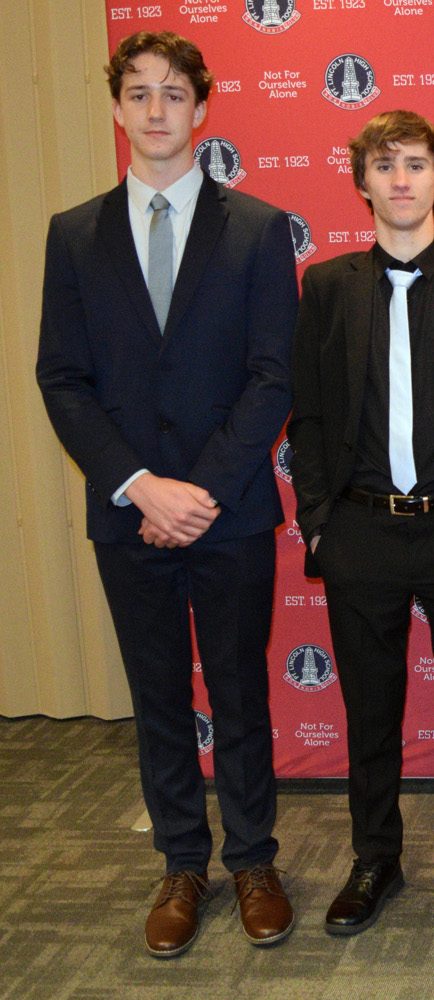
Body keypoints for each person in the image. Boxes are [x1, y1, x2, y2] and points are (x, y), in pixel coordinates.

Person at [36, 31, 297, 957]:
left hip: (230, 514)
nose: (156, 111)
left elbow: (275, 375)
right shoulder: (73, 235)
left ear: (201, 108)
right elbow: (60, 378)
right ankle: (182, 861)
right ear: (118, 109)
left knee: (238, 693)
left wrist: (201, 492)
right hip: (127, 513)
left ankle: (254, 860)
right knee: (156, 697)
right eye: (138, 94)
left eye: (173, 94)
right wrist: (143, 488)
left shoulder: (261, 230)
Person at [286, 110, 434, 936]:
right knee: (370, 710)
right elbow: (307, 418)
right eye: (384, 166)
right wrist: (317, 522)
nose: (400, 180)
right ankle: (374, 857)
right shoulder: (325, 285)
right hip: (361, 532)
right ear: (361, 183)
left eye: (415, 165)